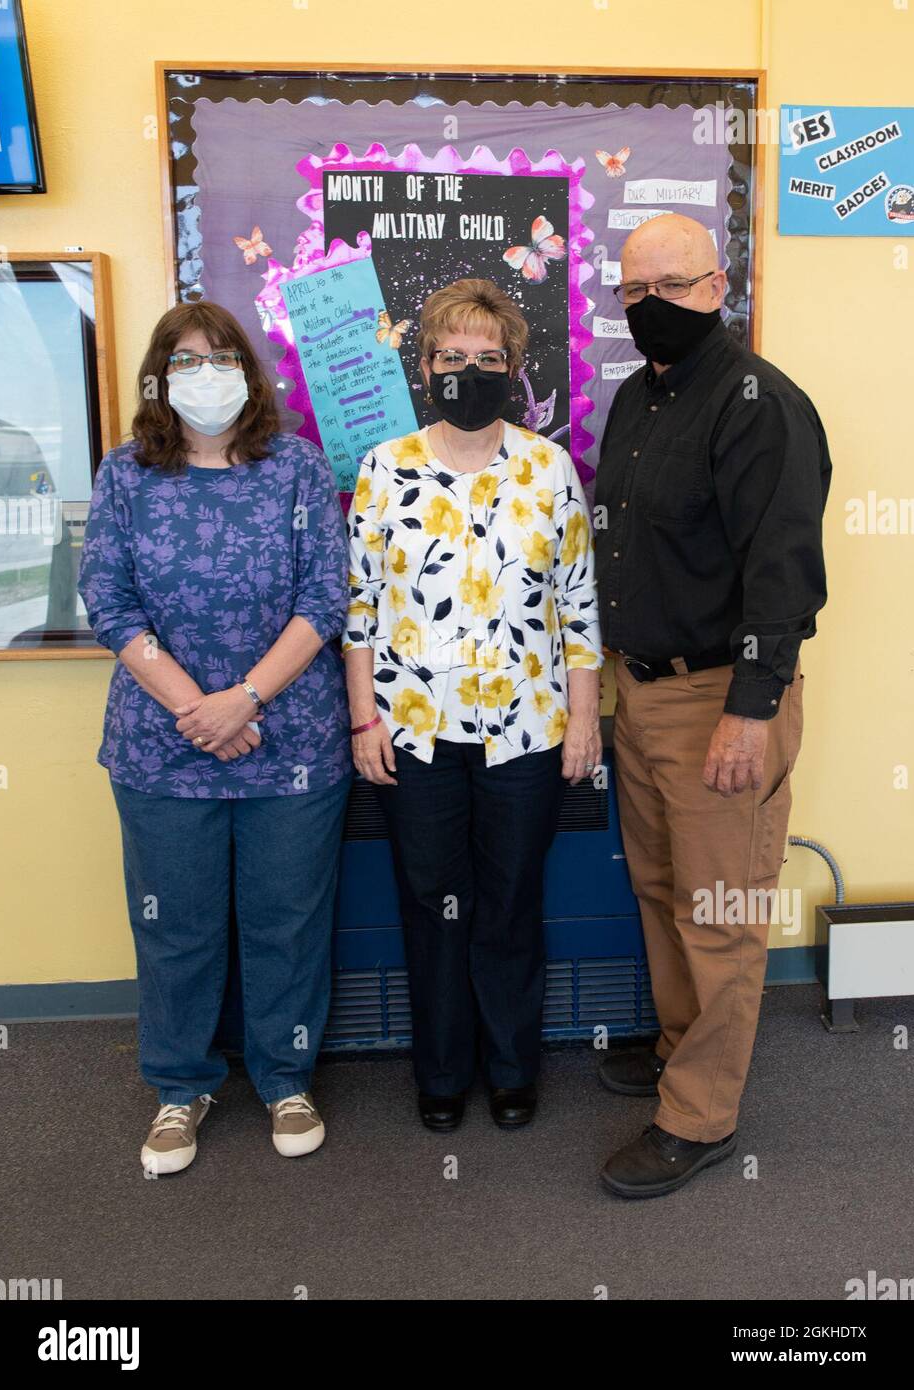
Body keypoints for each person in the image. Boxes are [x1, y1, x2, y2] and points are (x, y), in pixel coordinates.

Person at [77, 301, 352, 1174]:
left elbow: (326, 600)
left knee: (288, 921)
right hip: (163, 747)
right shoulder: (125, 476)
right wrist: (199, 706)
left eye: (221, 358)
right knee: (176, 926)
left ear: (249, 370)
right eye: (186, 361)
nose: (206, 376)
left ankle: (286, 1079)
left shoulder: (299, 469)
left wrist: (243, 699)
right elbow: (110, 604)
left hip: (289, 738)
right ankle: (178, 1088)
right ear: (160, 376)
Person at [594, 214, 831, 1198]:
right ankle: (680, 1046)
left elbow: (782, 571)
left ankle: (699, 1117)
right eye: (632, 292)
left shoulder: (758, 404)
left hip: (719, 699)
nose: (651, 305)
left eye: (670, 285)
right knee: (661, 893)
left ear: (715, 284)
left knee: (721, 912)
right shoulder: (631, 401)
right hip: (638, 693)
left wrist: (749, 707)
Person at [343, 278, 603, 1132]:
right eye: (450, 356)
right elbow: (359, 611)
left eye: (488, 358)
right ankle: (443, 1073)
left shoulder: (548, 467)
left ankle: (511, 1068)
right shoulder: (385, 468)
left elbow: (578, 604)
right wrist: (362, 719)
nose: (468, 370)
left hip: (527, 731)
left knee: (510, 899)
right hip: (414, 731)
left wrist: (585, 718)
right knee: (430, 901)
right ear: (424, 367)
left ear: (513, 370)